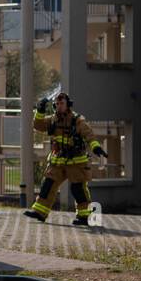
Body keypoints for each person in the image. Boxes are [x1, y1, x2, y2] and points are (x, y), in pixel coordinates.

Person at [23, 91, 108, 226]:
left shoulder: (77, 120)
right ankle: (40, 212)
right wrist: (40, 111)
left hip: (76, 162)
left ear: (68, 104)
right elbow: (38, 126)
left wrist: (96, 147)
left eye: (61, 103)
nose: (59, 106)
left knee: (78, 189)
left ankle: (84, 216)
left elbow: (89, 135)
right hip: (57, 161)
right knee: (47, 185)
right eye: (56, 104)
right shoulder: (53, 120)